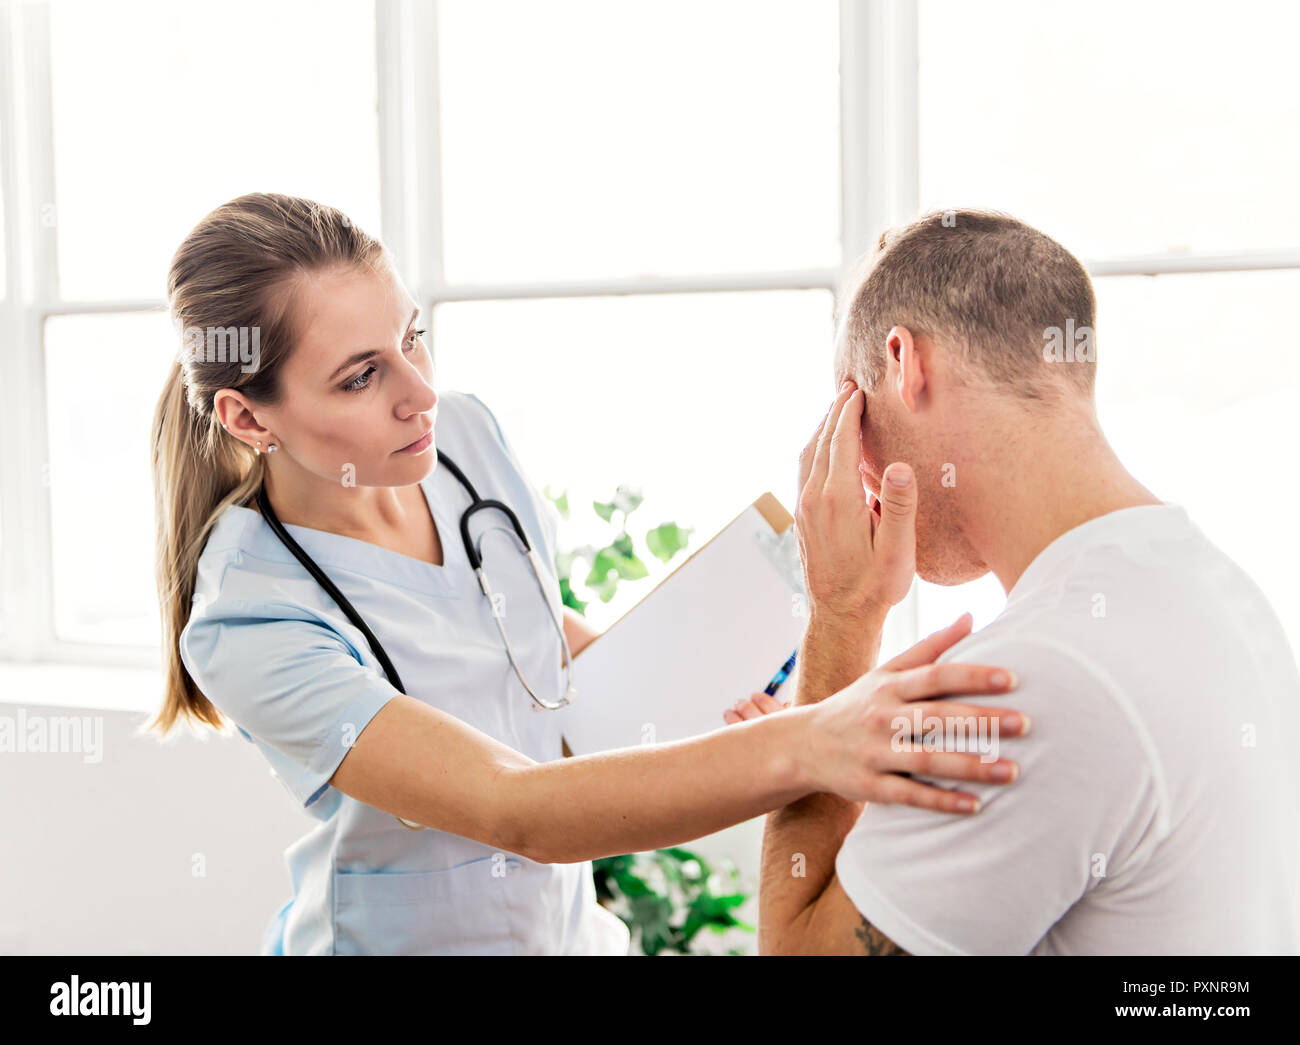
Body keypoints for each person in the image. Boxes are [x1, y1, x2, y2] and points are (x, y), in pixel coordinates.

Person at [146, 192, 1028, 956]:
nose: (418, 391)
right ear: (247, 416)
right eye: (361, 376)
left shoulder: (463, 440)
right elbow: (510, 807)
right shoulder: (250, 615)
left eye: (412, 338)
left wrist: (725, 687)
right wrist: (816, 739)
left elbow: (525, 633)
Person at [730, 208, 1300, 955]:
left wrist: (841, 615)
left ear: (904, 365)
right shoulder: (1218, 590)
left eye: (851, 409)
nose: (855, 468)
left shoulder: (1025, 679)